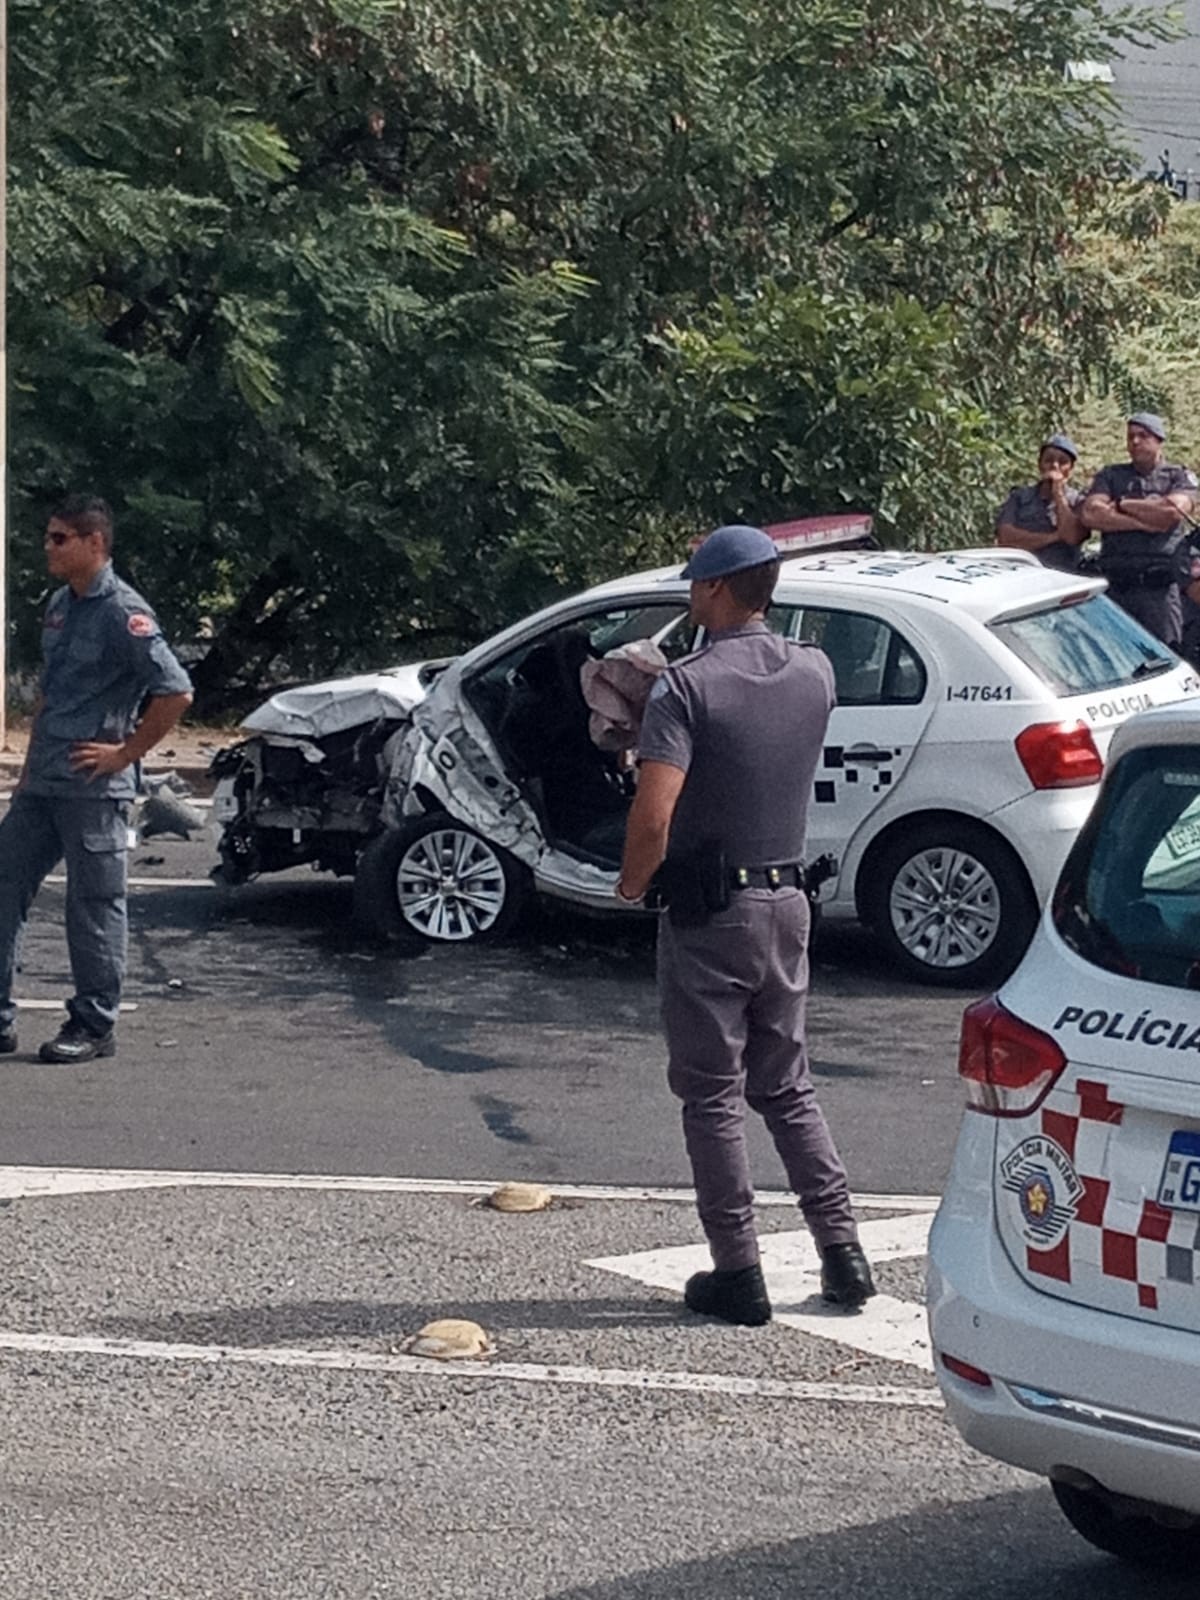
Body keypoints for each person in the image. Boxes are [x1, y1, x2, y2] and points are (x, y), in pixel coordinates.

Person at [615, 524, 874, 1327]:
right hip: (788, 901)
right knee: (787, 1084)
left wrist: (631, 884)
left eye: (697, 582)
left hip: (712, 912)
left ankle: (738, 1269)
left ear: (718, 589)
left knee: (711, 1095)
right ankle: (843, 1251)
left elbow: (655, 814)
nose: (691, 594)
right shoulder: (814, 670)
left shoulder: (686, 687)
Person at [0, 495, 193, 1062]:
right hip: (44, 783)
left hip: (93, 788)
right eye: (49, 536)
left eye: (60, 538)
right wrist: (27, 770)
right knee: (3, 886)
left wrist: (124, 754)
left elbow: (176, 691)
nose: (49, 546)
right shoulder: (62, 604)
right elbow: (51, 694)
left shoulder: (123, 612)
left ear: (95, 543)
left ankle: (93, 1025)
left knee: (93, 906)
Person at [1080, 414, 1199, 647]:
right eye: (1130, 437)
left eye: (1143, 436)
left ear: (1159, 440)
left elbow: (1171, 511)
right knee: (1114, 654)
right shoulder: (1110, 476)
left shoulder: (1178, 476)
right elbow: (1090, 514)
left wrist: (1122, 504)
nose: (1135, 442)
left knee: (1165, 653)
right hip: (1117, 586)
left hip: (1159, 591)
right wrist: (1143, 523)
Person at [994, 434, 1086, 571]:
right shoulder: (1019, 497)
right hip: (1018, 571)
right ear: (1040, 465)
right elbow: (1005, 538)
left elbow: (1072, 536)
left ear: (1070, 469)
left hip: (1062, 574)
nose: (1054, 465)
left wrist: (1058, 493)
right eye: (1048, 460)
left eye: (1062, 462)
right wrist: (1054, 537)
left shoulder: (1079, 501)